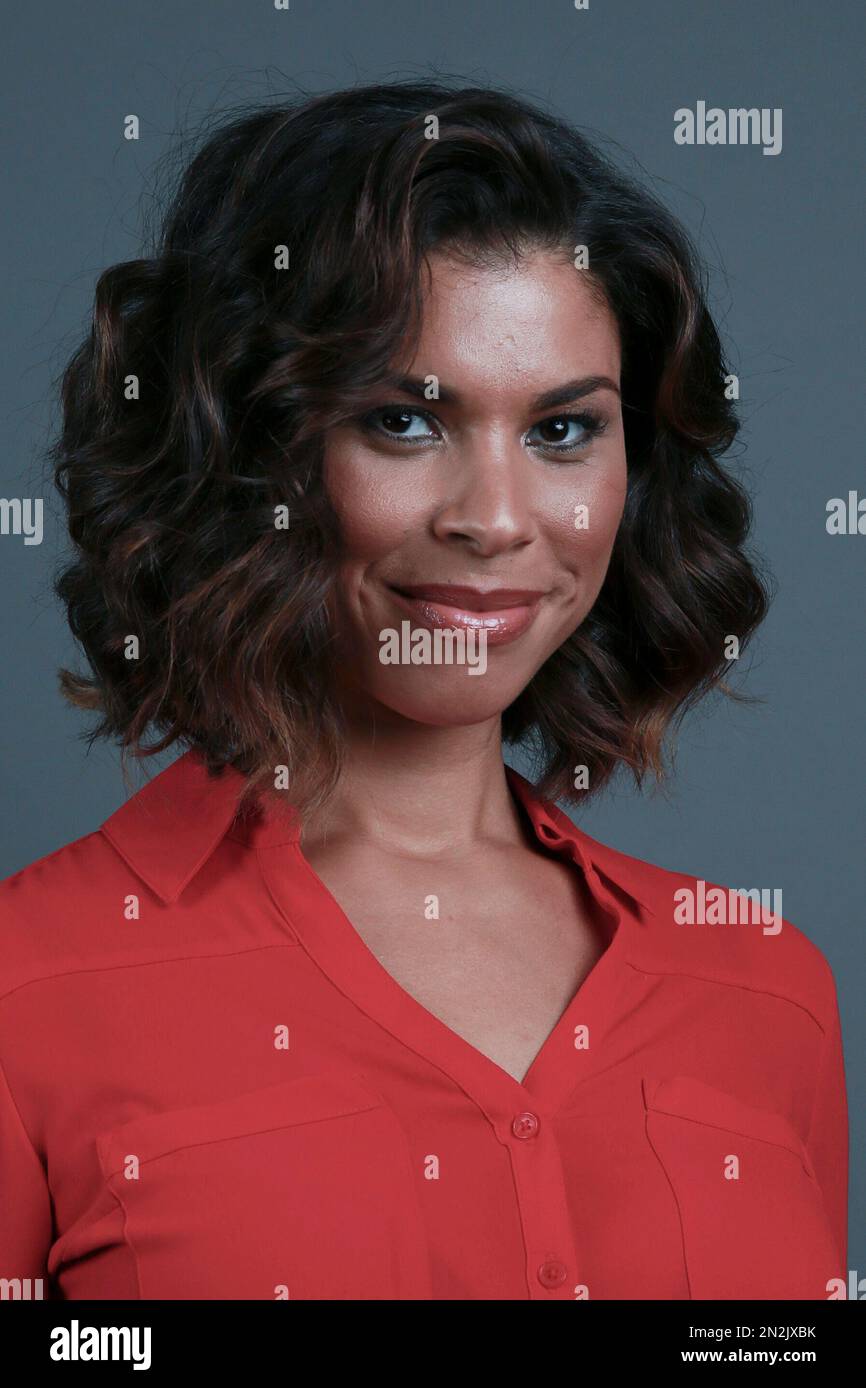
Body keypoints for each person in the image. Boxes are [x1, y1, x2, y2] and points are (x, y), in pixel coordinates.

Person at [0, 80, 847, 1301]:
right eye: (402, 420)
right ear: (248, 453)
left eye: (562, 431)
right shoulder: (31, 987)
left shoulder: (765, 987)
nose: (496, 522)